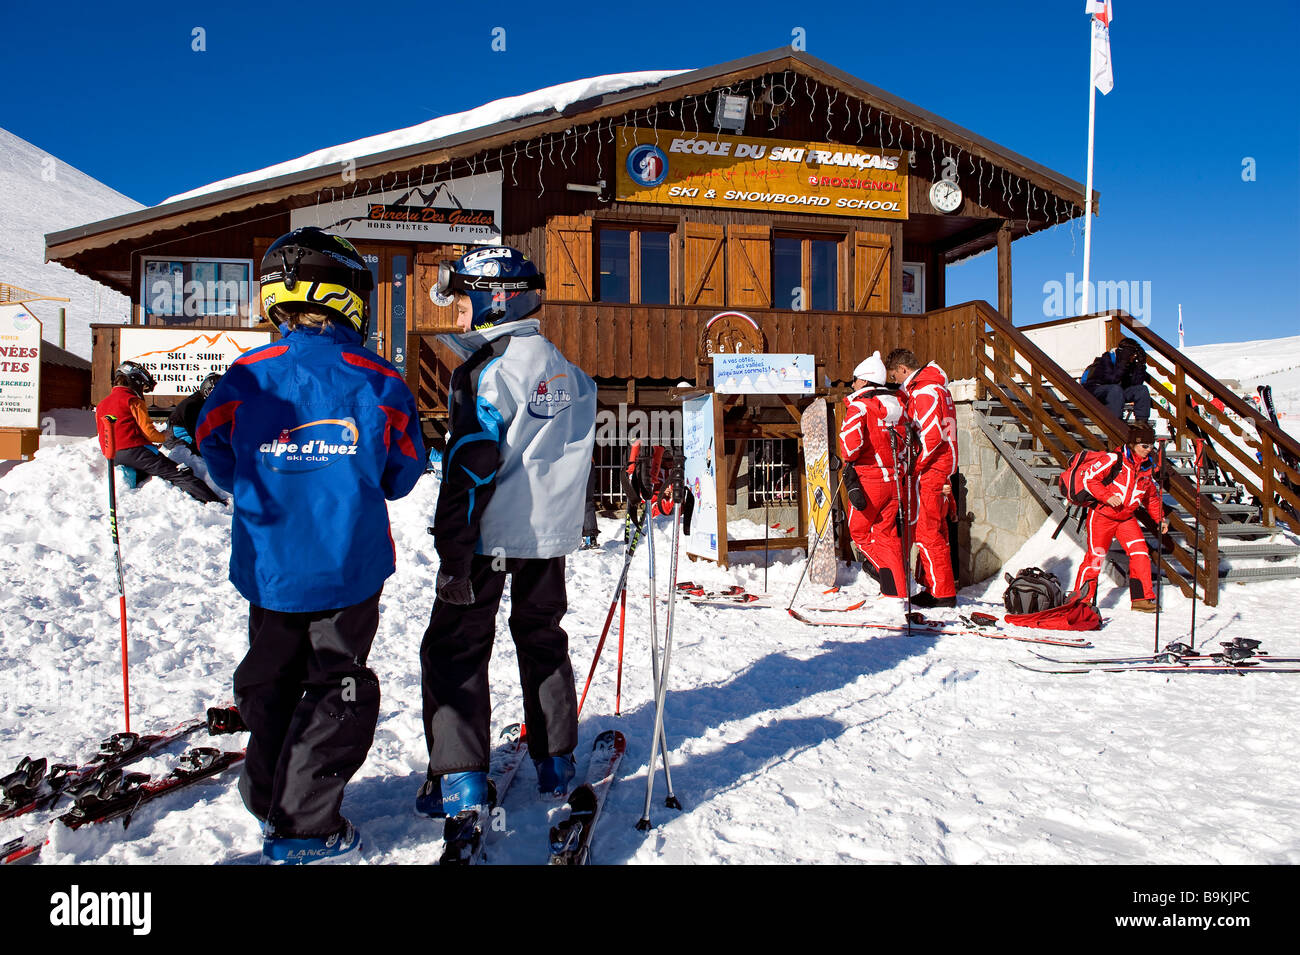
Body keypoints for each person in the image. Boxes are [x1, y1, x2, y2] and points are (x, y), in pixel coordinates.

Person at [196, 227, 425, 864]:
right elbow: (403, 474)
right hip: (347, 570)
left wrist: (268, 470)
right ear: (350, 296)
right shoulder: (379, 379)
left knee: (271, 678)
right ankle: (303, 826)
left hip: (270, 569)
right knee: (338, 685)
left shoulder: (246, 375)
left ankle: (270, 794)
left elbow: (215, 453)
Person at [418, 245, 596, 818]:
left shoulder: (488, 370)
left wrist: (452, 549)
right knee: (542, 637)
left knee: (456, 648)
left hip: (488, 536)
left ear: (497, 298)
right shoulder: (566, 369)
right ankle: (555, 759)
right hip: (548, 539)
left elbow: (471, 465)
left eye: (464, 300)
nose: (460, 314)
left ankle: (460, 779)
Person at [885, 348, 958, 608]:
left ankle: (942, 593)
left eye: (894, 377)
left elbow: (931, 436)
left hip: (932, 470)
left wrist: (914, 465)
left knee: (928, 533)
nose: (895, 382)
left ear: (903, 370)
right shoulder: (938, 388)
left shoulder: (926, 392)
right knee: (934, 530)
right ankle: (933, 585)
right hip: (940, 468)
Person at [95, 361, 226, 504]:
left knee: (148, 472)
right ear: (135, 381)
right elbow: (150, 433)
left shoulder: (102, 404)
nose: (142, 390)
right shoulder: (132, 400)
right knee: (181, 473)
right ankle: (215, 502)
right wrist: (164, 436)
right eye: (142, 386)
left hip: (113, 454)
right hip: (136, 452)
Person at [1071, 422, 1168, 611]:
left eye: (1151, 446)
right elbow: (1089, 479)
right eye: (1144, 446)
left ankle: (1141, 599)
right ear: (1133, 444)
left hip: (1125, 517)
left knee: (1140, 553)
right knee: (1096, 557)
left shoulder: (1147, 468)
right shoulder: (1114, 459)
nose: (1148, 450)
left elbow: (1151, 498)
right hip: (1102, 515)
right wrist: (1107, 497)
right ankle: (1082, 601)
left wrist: (1160, 519)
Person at [839, 351, 908, 599]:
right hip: (894, 478)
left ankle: (887, 577)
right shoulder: (897, 404)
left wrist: (848, 460)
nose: (852, 383)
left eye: (855, 379)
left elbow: (851, 446)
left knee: (859, 531)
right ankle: (897, 590)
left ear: (865, 381)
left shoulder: (859, 406)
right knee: (886, 534)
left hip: (869, 479)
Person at [1082, 337, 1150, 424]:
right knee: (1115, 389)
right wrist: (1123, 362)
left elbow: (1136, 383)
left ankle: (1141, 422)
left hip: (1116, 392)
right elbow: (1111, 379)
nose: (1133, 356)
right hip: (1095, 388)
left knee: (1141, 389)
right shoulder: (1107, 358)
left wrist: (1140, 365)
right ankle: (1115, 423)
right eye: (1131, 353)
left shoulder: (1129, 363)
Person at [166, 372, 221, 456]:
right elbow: (196, 433)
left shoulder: (205, 403)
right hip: (178, 440)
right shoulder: (192, 405)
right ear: (207, 391)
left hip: (191, 437)